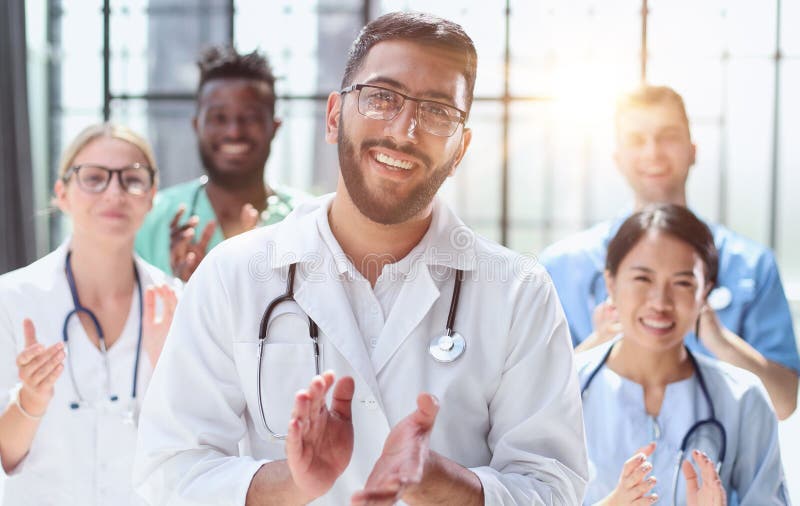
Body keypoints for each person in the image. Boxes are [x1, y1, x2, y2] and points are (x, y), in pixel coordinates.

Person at [133, 12, 587, 505]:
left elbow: (553, 486)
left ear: (460, 150)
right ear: (334, 117)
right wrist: (293, 482)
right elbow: (169, 474)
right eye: (382, 97)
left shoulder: (518, 291)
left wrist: (441, 482)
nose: (405, 131)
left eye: (438, 111)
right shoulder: (233, 276)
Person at [540, 85, 799, 420]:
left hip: (717, 450)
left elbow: (783, 403)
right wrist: (601, 343)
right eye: (637, 140)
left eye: (668, 137)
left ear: (693, 151)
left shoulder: (751, 266)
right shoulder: (562, 267)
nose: (653, 153)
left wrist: (720, 342)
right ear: (617, 159)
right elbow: (535, 404)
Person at [0, 123, 180, 505]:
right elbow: (5, 455)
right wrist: (30, 399)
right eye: (94, 178)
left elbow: (195, 444)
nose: (114, 192)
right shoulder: (12, 300)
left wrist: (168, 368)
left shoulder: (177, 304)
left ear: (151, 196)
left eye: (132, 179)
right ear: (62, 194)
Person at [578, 204, 789, 505]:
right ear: (610, 283)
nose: (660, 303)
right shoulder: (565, 388)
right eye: (643, 279)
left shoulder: (742, 397)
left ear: (705, 292)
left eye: (682, 283)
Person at [135, 46, 308, 281]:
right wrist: (185, 288)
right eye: (219, 118)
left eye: (250, 118)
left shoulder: (307, 222)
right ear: (197, 125)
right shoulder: (150, 218)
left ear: (274, 127)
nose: (234, 132)